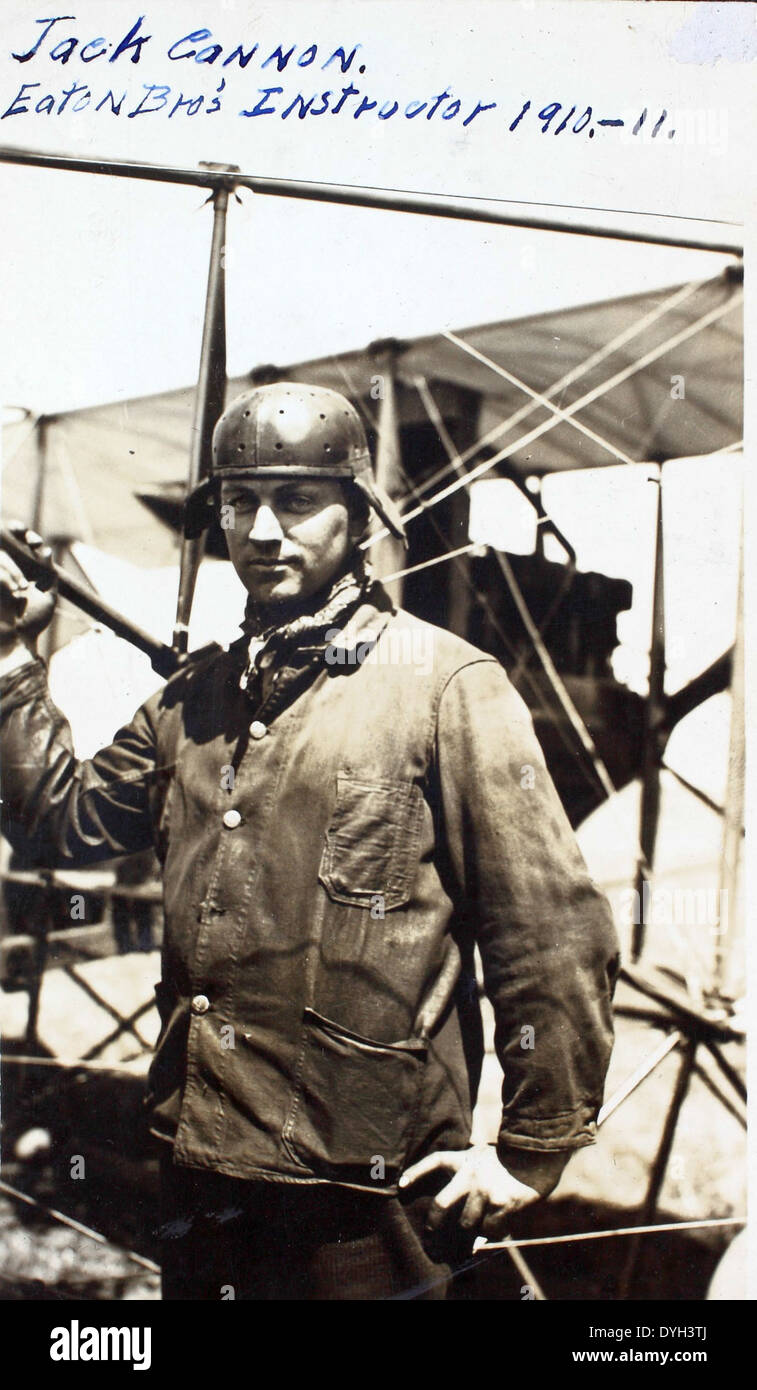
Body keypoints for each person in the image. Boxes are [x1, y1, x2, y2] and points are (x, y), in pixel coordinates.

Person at [0, 382, 619, 1300]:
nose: (260, 531)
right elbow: (64, 819)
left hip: (367, 1197)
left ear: (358, 517)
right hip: (201, 1171)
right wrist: (13, 662)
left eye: (295, 500)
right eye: (239, 502)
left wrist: (532, 1154)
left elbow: (550, 930)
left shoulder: (446, 685)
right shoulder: (195, 699)